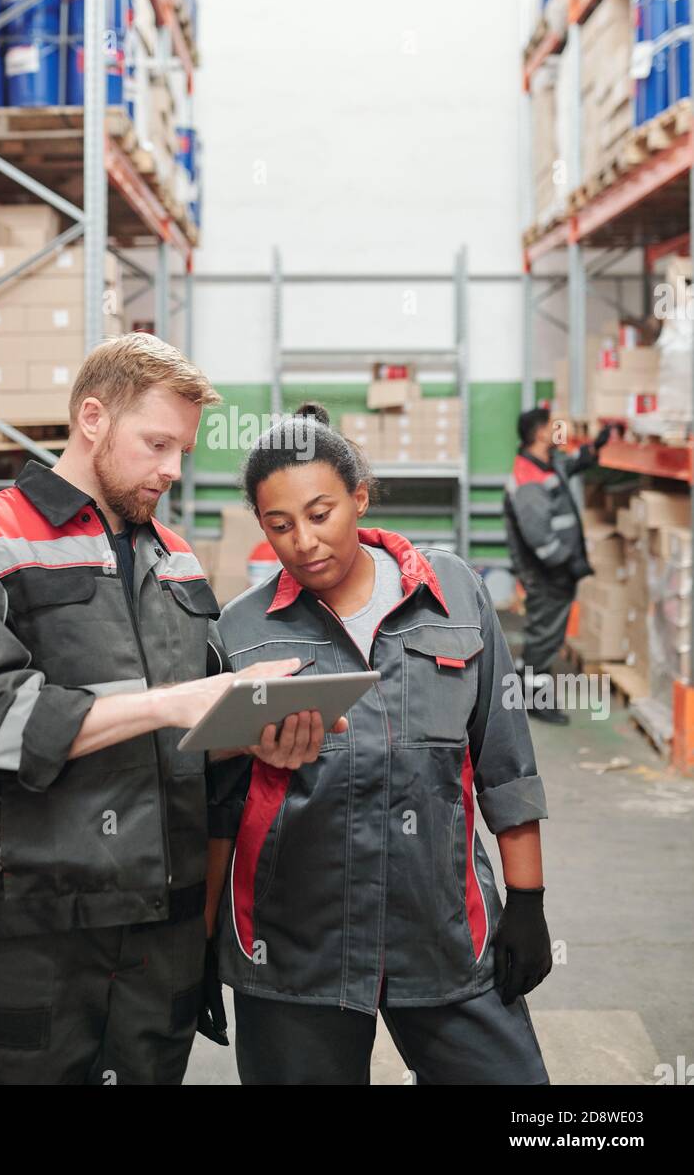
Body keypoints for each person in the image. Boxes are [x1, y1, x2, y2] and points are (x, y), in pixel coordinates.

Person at [0, 334, 327, 1085]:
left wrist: (253, 737)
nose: (173, 469)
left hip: (159, 934)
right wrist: (173, 703)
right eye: (157, 443)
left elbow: (194, 727)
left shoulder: (175, 555)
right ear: (94, 418)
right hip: (31, 935)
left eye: (184, 449)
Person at [204, 403, 553, 1086]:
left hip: (444, 931)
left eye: (321, 512)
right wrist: (199, 947)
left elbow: (505, 762)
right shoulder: (240, 632)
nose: (303, 540)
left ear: (359, 497)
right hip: (295, 948)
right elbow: (219, 807)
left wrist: (530, 902)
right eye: (279, 525)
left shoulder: (455, 594)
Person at [503, 405, 615, 726]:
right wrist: (562, 566)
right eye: (553, 426)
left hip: (554, 572)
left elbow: (573, 464)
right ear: (539, 433)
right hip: (547, 575)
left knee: (543, 635)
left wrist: (596, 446)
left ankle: (526, 689)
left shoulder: (548, 464)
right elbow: (540, 539)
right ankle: (535, 701)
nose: (558, 429)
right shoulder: (529, 477)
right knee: (545, 637)